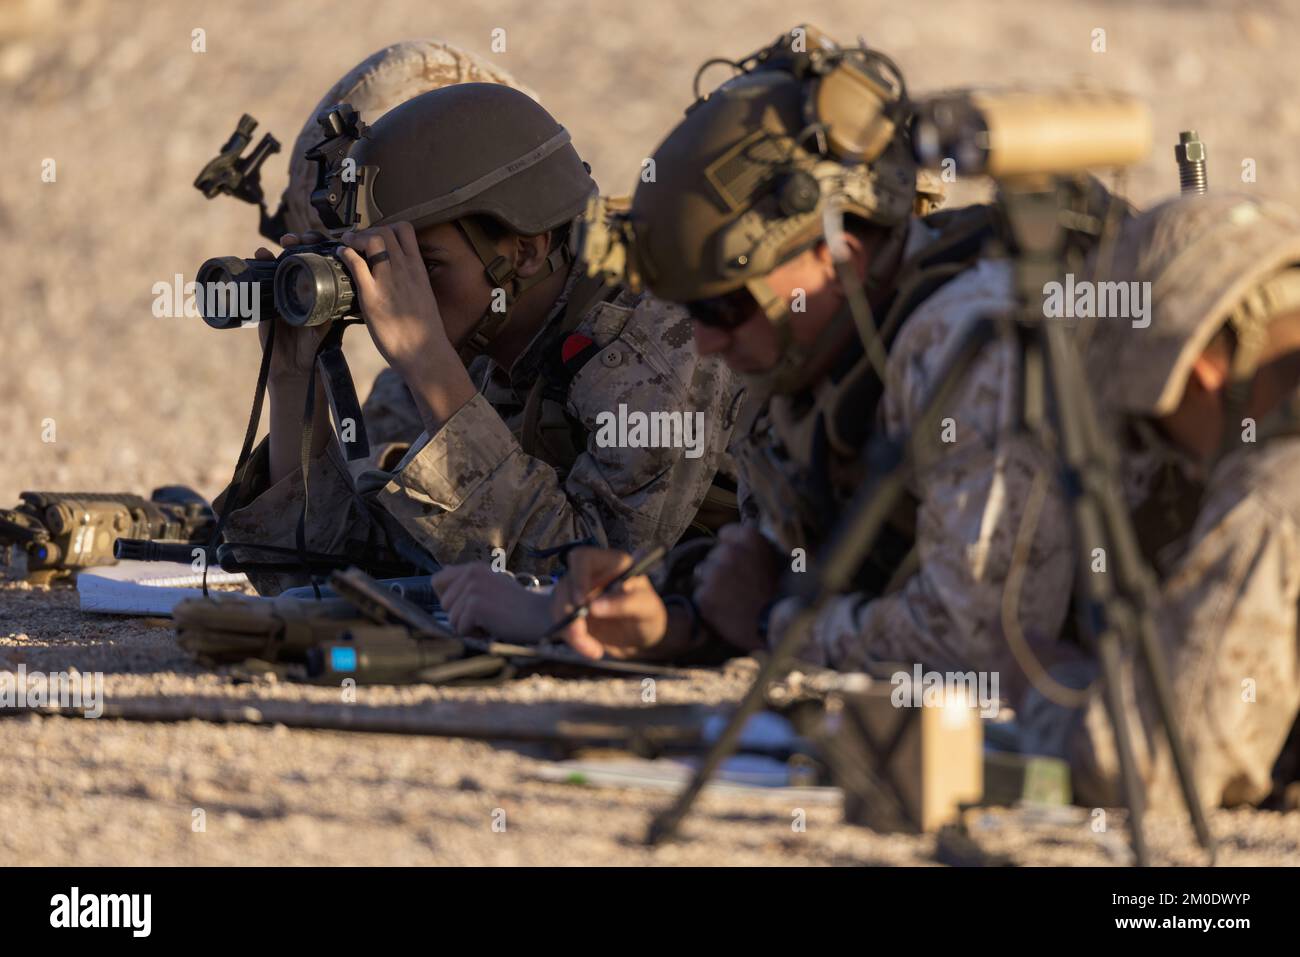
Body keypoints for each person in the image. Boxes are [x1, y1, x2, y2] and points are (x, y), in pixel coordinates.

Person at [436, 26, 1113, 686]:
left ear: (839, 261)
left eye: (724, 307)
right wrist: (667, 618)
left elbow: (979, 646)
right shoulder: (811, 365)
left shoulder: (965, 341)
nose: (704, 341)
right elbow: (783, 570)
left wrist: (768, 620)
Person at [216, 65, 742, 595]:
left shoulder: (657, 344)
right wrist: (292, 383)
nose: (399, 292)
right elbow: (317, 570)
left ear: (526, 250)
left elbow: (594, 584)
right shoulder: (489, 338)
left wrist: (431, 369)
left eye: (424, 264)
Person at [1020, 193, 1300, 812]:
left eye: (1154, 423)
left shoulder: (1271, 498)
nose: (1172, 456)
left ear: (1201, 375)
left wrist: (1049, 689)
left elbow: (1152, 771)